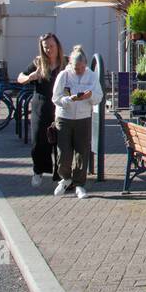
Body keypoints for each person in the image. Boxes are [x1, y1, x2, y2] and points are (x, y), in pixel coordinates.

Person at [51, 45, 101, 199]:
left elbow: (98, 96)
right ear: (70, 64)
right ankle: (65, 178)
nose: (79, 70)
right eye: (76, 67)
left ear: (85, 65)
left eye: (81, 67)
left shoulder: (91, 76)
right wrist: (69, 99)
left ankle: (79, 184)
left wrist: (89, 97)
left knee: (82, 152)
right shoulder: (63, 75)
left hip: (83, 118)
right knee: (63, 153)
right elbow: (55, 98)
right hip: (64, 117)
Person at [17, 33, 63, 187]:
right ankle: (38, 171)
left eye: (52, 46)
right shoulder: (38, 62)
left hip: (60, 106)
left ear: (57, 46)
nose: (49, 49)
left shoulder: (65, 62)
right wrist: (30, 77)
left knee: (60, 141)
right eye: (46, 47)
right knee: (38, 140)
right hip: (41, 105)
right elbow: (20, 77)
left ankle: (60, 175)